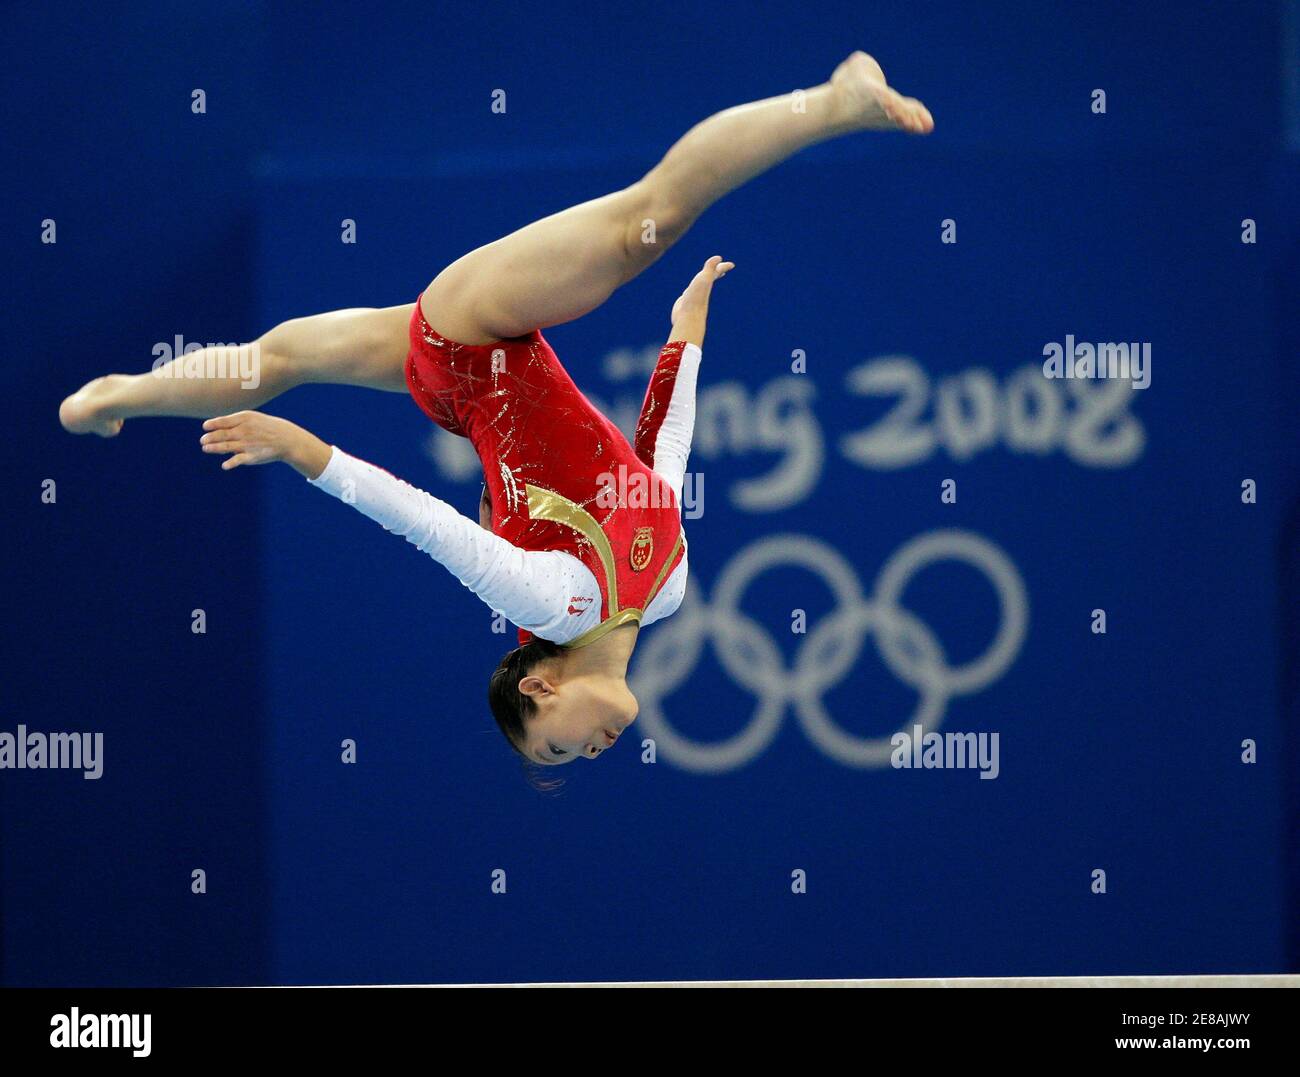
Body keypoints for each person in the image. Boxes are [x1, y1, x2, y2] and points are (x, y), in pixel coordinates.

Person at [58, 52, 933, 765]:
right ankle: (117, 395)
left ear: (538, 688)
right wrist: (685, 341)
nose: (589, 753)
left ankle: (832, 101)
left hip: (473, 340)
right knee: (283, 356)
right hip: (466, 382)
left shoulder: (553, 601)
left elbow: (423, 522)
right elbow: (659, 466)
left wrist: (300, 450)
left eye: (553, 750)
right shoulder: (663, 594)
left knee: (648, 221)